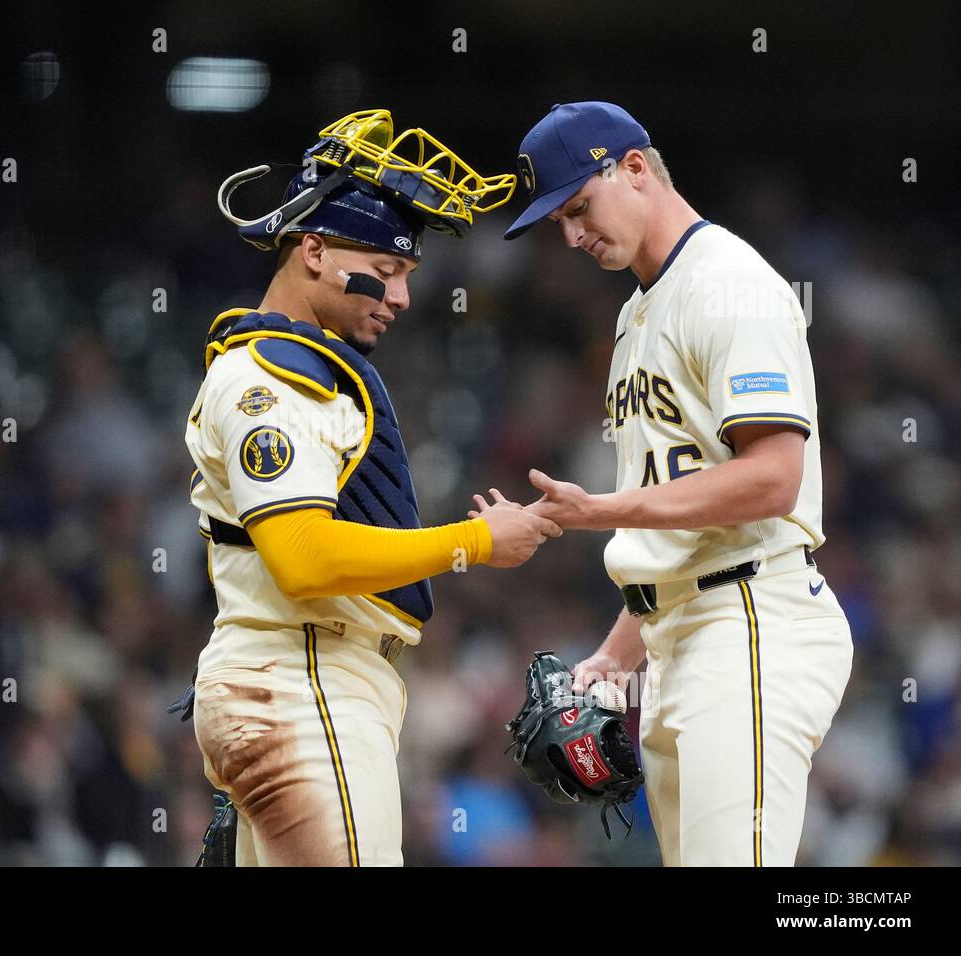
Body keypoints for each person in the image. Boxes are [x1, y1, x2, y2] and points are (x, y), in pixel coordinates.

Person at [181, 109, 560, 866]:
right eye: (385, 271)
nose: (401, 297)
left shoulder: (298, 369)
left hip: (298, 679)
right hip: (305, 681)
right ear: (314, 251)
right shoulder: (272, 379)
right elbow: (305, 559)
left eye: (407, 276)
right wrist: (478, 543)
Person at [494, 101, 854, 866]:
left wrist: (600, 511)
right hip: (678, 632)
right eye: (557, 220)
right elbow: (683, 518)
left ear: (632, 168)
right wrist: (616, 655)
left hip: (751, 623)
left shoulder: (727, 282)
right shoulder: (634, 317)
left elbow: (771, 480)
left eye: (578, 207)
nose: (572, 234)